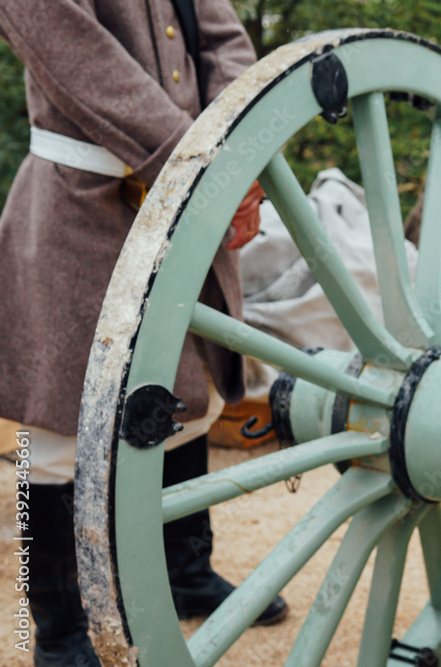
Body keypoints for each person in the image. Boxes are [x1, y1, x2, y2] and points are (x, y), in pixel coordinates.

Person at [0, 2, 285, 664]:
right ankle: (60, 626)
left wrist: (233, 158)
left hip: (190, 191)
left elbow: (224, 44)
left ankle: (183, 571)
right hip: (81, 206)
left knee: (187, 392)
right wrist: (204, 170)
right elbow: (78, 60)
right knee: (56, 431)